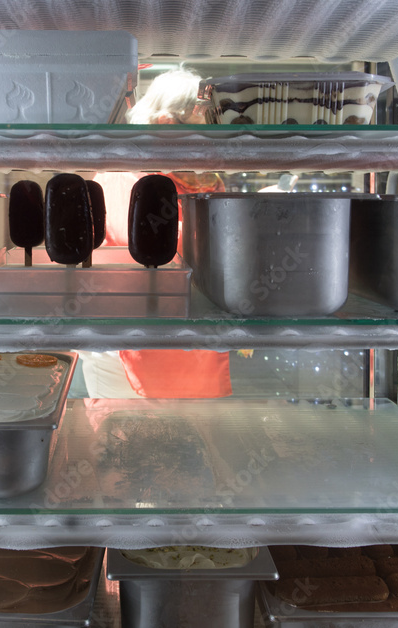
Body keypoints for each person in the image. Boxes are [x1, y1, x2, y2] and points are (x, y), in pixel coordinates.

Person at [80, 68, 232, 399]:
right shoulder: (125, 179)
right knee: (124, 440)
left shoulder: (207, 182)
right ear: (165, 124)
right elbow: (155, 249)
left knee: (189, 440)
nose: (210, 145)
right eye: (202, 132)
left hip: (193, 339)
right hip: (126, 347)